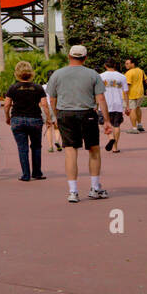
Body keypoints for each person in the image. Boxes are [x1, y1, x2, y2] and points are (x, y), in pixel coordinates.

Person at [45, 44, 111, 203]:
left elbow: (52, 99)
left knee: (70, 150)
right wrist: (107, 120)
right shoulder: (93, 74)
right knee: (93, 149)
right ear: (85, 58)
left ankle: (73, 191)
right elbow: (100, 98)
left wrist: (55, 115)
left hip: (65, 114)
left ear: (69, 56)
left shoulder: (57, 75)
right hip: (87, 113)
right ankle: (95, 188)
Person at [3, 61, 50, 181]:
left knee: (22, 148)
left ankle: (25, 174)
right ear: (31, 73)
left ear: (17, 74)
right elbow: (44, 104)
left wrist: (8, 117)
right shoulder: (38, 87)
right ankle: (37, 172)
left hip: (17, 119)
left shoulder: (13, 88)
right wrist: (49, 118)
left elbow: (7, 104)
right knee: (36, 146)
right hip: (35, 119)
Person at [100, 58, 131, 154]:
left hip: (104, 104)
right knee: (116, 125)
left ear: (105, 65)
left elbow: (97, 92)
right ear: (115, 65)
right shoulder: (122, 77)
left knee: (103, 122)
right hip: (117, 104)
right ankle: (115, 147)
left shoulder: (100, 76)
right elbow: (126, 92)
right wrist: (127, 106)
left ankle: (111, 137)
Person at [123, 57, 147, 132]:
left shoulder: (129, 73)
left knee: (132, 110)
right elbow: (146, 81)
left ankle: (134, 128)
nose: (126, 65)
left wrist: (125, 95)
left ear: (133, 64)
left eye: (127, 63)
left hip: (131, 94)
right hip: (140, 93)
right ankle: (139, 124)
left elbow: (127, 86)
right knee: (138, 108)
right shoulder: (141, 71)